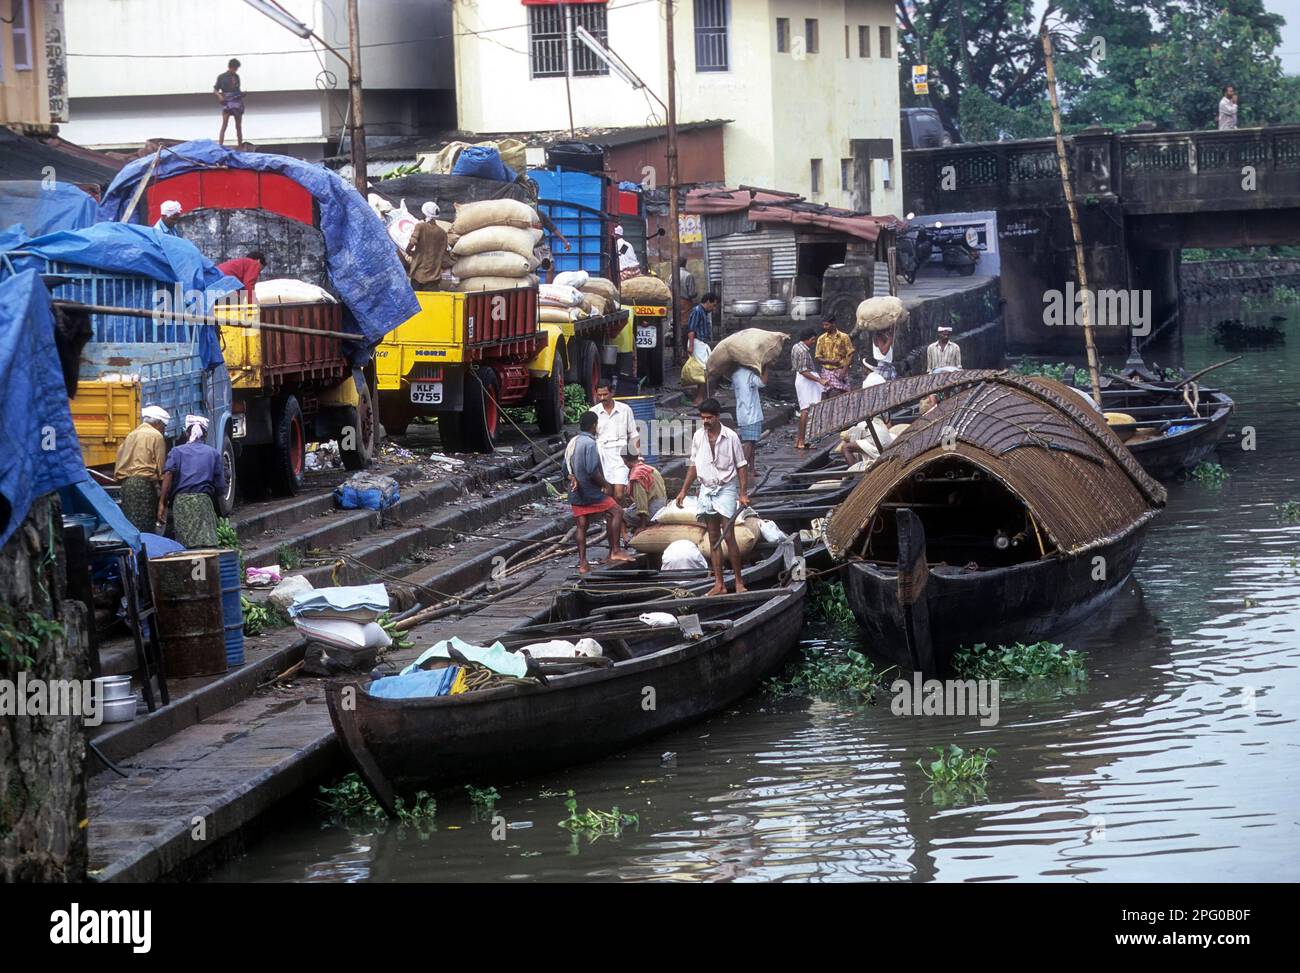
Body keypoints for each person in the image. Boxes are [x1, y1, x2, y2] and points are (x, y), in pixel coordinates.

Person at [673, 398, 751, 596]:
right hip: (706, 489)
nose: (705, 421)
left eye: (709, 418)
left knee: (729, 535)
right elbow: (693, 465)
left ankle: (739, 581)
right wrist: (683, 490)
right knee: (714, 537)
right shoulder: (699, 437)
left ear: (717, 417)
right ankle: (719, 583)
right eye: (703, 418)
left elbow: (742, 466)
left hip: (726, 487)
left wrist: (743, 493)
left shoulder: (731, 436)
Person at [565, 412, 634, 574]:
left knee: (581, 525)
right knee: (617, 510)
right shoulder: (590, 443)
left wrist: (572, 477)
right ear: (594, 425)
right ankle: (615, 550)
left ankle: (583, 563)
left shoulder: (573, 442)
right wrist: (605, 485)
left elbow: (565, 468)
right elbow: (591, 470)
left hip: (576, 492)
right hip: (590, 492)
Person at [157, 415, 226, 549]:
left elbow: (168, 474)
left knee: (185, 544)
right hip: (203, 502)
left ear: (187, 433)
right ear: (205, 434)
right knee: (206, 544)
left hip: (181, 503)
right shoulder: (213, 453)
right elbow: (220, 487)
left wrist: (162, 502)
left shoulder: (176, 451)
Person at [115, 405, 170, 535]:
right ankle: (146, 553)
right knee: (145, 526)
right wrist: (163, 498)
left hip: (126, 485)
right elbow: (161, 468)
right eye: (164, 426)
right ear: (157, 423)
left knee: (131, 524)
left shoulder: (131, 435)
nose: (164, 430)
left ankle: (134, 554)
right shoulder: (156, 436)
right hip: (144, 486)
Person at [590, 382, 639, 501]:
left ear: (612, 392)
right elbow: (591, 436)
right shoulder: (593, 411)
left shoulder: (625, 409)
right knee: (607, 492)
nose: (602, 398)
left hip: (620, 455)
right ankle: (613, 518)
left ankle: (618, 515)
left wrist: (637, 455)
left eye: (605, 394)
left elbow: (633, 434)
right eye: (599, 395)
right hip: (602, 454)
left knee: (619, 494)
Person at [791, 327, 826, 450]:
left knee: (805, 410)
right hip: (805, 381)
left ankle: (799, 440)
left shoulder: (796, 346)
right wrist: (819, 380)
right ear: (807, 339)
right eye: (812, 340)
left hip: (803, 380)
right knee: (805, 411)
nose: (813, 342)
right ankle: (801, 441)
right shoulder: (803, 352)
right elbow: (804, 372)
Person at [407, 202, 449, 290]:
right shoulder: (442, 233)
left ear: (424, 214)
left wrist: (408, 250)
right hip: (434, 277)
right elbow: (444, 253)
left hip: (418, 274)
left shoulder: (420, 226)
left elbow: (413, 241)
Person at [732, 362, 766, 470]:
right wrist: (766, 367)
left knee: (751, 442)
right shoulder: (749, 375)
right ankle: (744, 469)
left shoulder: (735, 375)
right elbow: (762, 383)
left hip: (742, 413)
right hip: (751, 414)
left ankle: (751, 468)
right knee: (749, 443)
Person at [686, 292, 718, 406]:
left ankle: (701, 397)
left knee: (704, 370)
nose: (713, 308)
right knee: (703, 371)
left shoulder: (703, 312)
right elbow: (691, 329)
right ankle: (699, 398)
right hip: (697, 342)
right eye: (713, 305)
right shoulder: (697, 311)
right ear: (708, 301)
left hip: (702, 343)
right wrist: (691, 346)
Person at [624, 451, 667, 531]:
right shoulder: (650, 468)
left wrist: (642, 526)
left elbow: (642, 504)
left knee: (621, 513)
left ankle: (626, 537)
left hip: (654, 513)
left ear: (625, 461)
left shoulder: (637, 476)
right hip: (662, 507)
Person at [815, 312, 854, 395]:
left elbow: (850, 354)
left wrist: (844, 370)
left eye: (827, 325)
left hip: (840, 371)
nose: (824, 327)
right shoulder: (821, 339)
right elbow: (818, 358)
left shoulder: (844, 337)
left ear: (833, 324)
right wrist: (830, 362)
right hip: (826, 372)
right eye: (824, 325)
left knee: (843, 395)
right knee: (828, 396)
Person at [215, 58, 244, 146]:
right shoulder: (221, 77)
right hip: (227, 102)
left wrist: (242, 94)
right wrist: (220, 96)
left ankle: (240, 145)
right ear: (231, 67)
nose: (236, 70)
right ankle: (220, 145)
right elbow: (215, 89)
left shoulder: (237, 76)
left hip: (237, 101)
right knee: (224, 125)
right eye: (235, 68)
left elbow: (238, 89)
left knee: (238, 126)